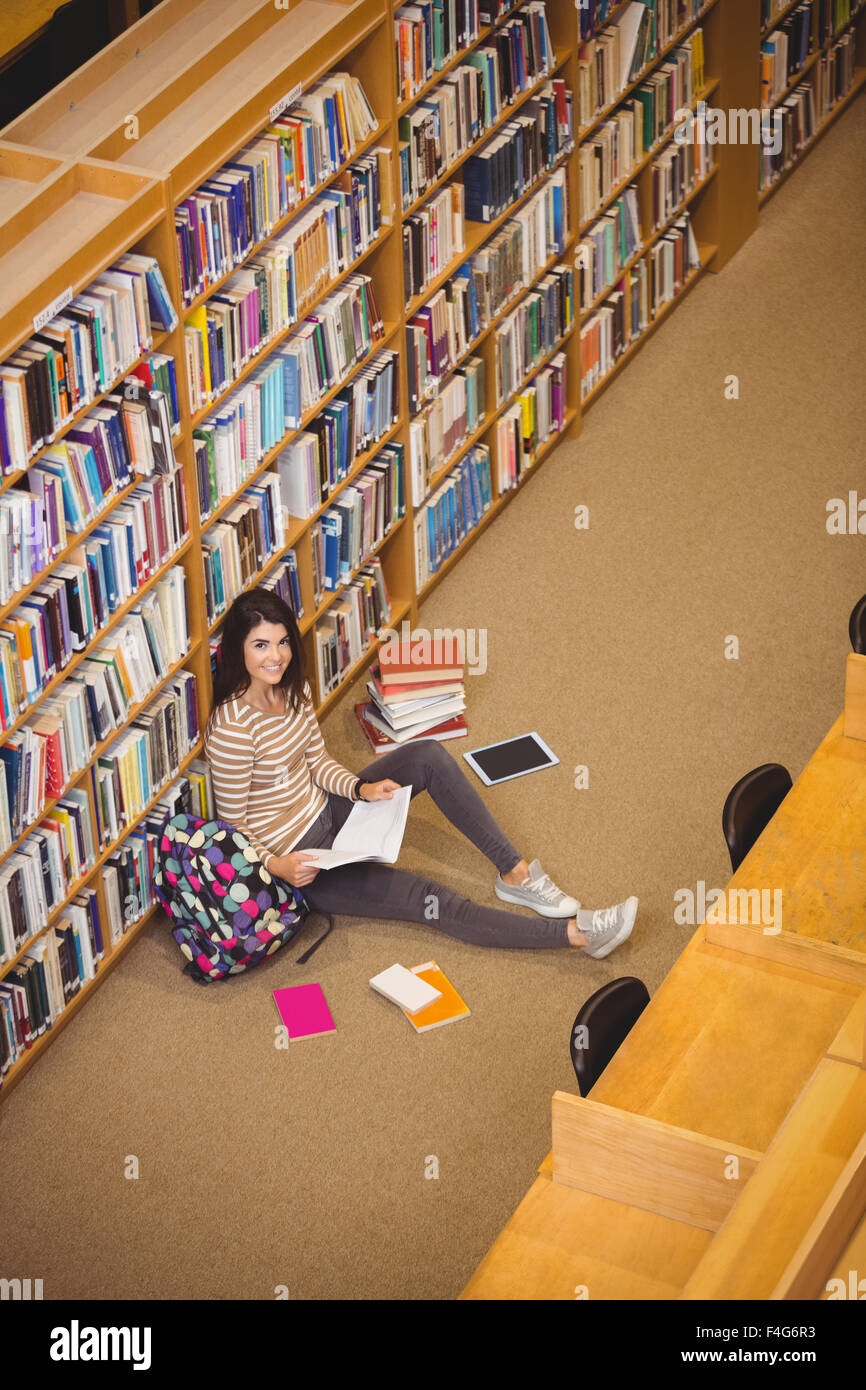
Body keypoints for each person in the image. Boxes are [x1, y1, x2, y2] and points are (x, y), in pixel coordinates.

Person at [204, 589, 638, 956]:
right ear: (238, 649)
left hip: (331, 811)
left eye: (282, 643)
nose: (276, 656)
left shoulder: (292, 688)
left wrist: (360, 787)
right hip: (304, 862)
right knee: (429, 899)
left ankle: (516, 874)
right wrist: (279, 866)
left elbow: (317, 763)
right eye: (260, 645)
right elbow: (231, 831)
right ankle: (578, 935)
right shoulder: (231, 730)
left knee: (427, 755)